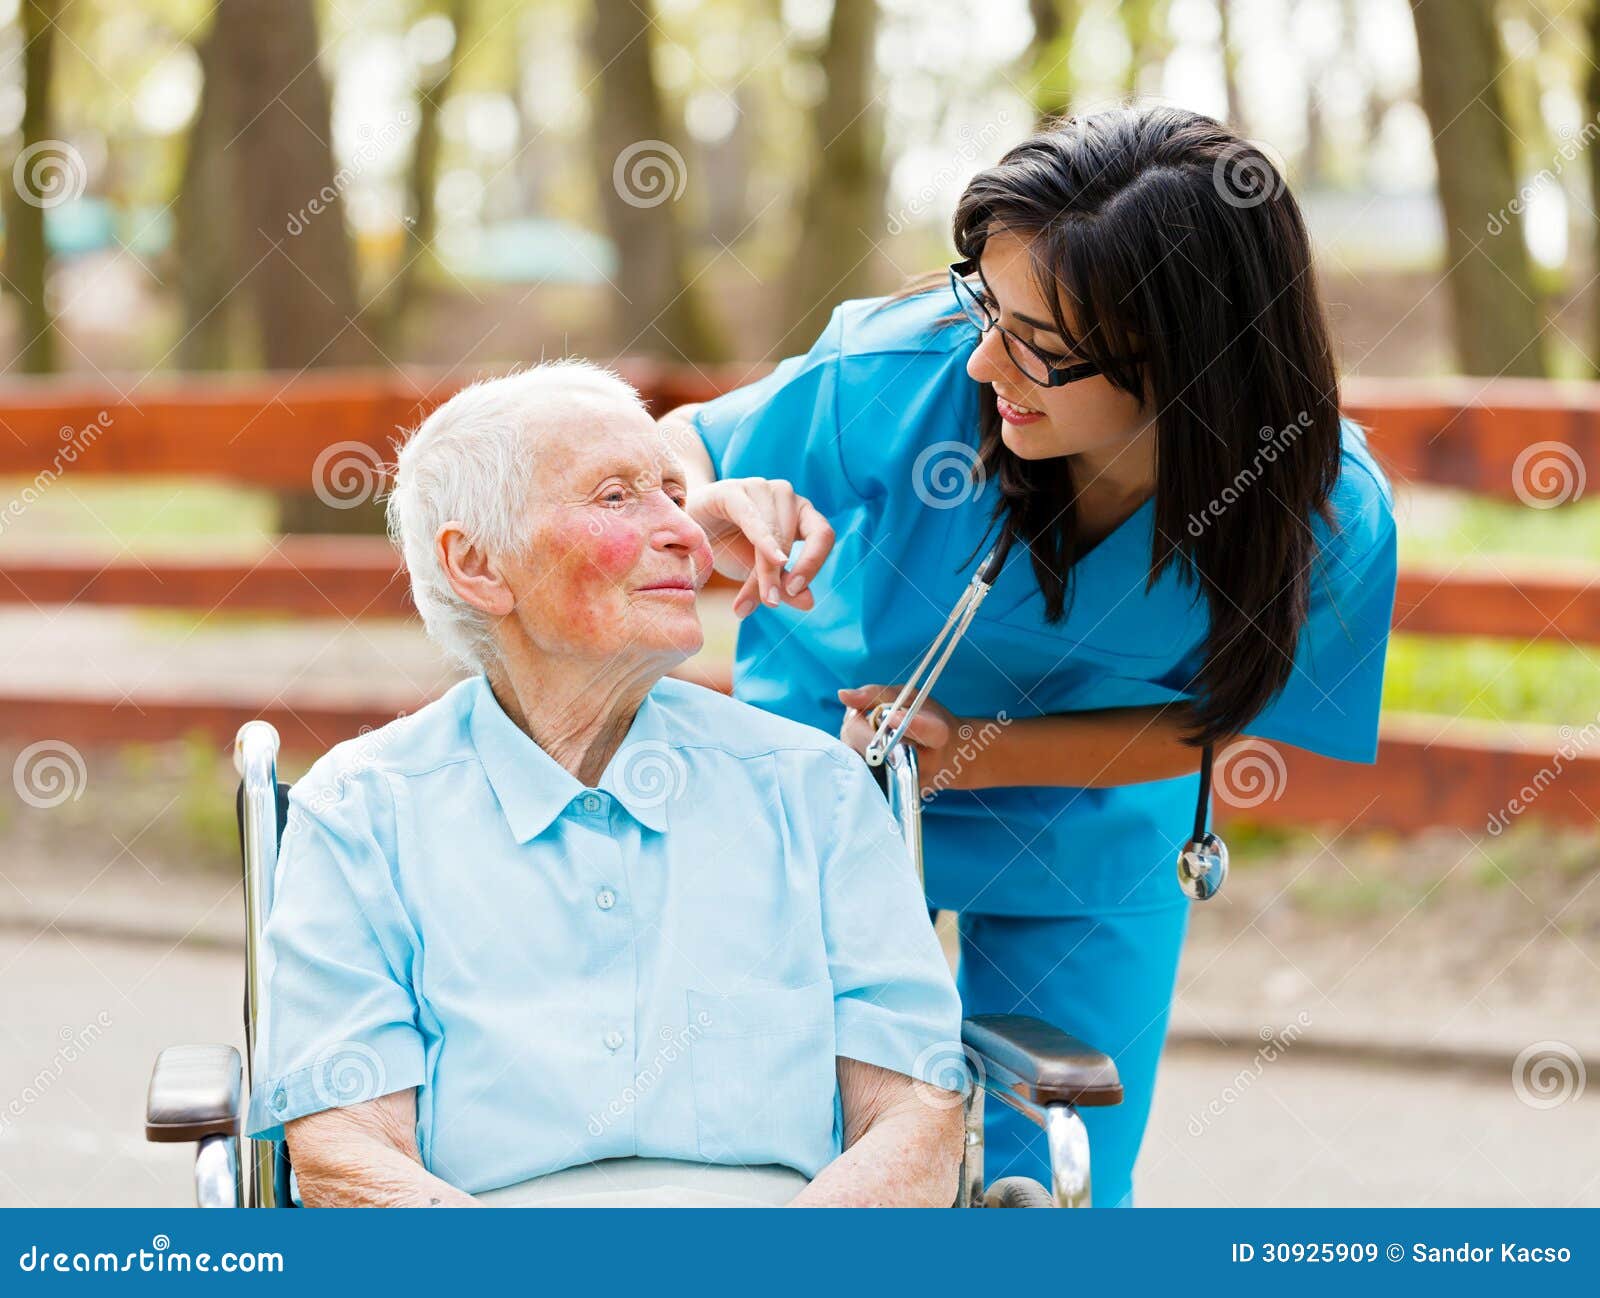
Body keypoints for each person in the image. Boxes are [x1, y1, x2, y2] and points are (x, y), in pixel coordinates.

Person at [658, 105, 1398, 1207]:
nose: (984, 358)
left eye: (1039, 343)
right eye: (984, 303)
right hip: (833, 779)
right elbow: (676, 450)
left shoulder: (1319, 510)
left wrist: (988, 755)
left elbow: (1222, 709)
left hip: (1084, 818)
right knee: (810, 1160)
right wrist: (704, 497)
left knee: (1059, 1182)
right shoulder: (903, 369)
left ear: (1189, 361)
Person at [244, 361, 964, 1207]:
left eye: (671, 488)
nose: (692, 535)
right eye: (618, 497)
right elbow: (346, 1155)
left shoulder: (814, 791)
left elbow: (918, 1117)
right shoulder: (362, 812)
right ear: (478, 564)